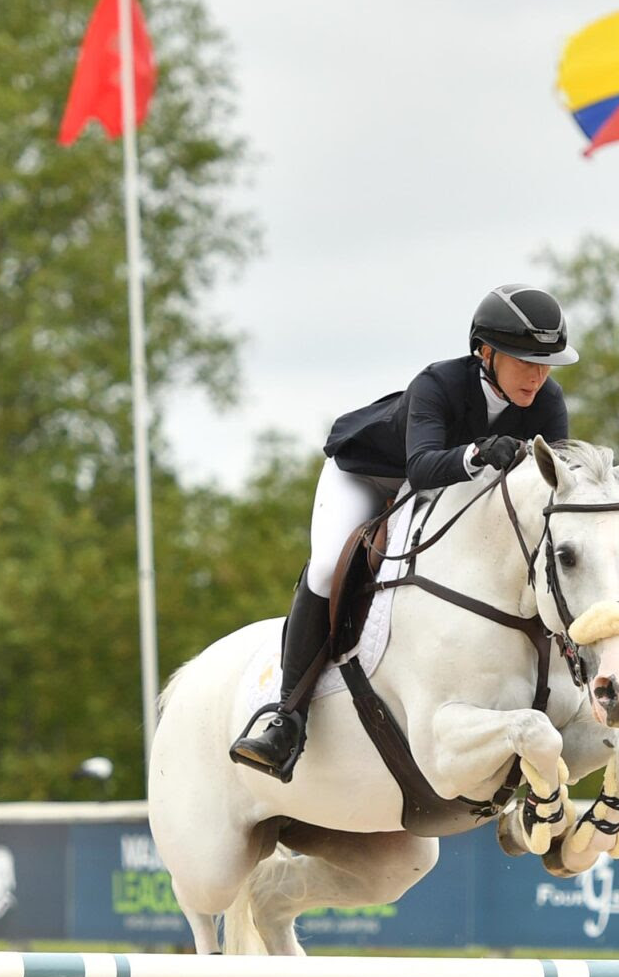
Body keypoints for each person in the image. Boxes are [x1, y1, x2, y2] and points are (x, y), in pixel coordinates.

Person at [228, 283, 579, 780]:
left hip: (444, 485)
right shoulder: (438, 384)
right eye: (526, 362)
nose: (538, 377)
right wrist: (479, 453)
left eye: (546, 364)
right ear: (486, 352)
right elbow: (422, 465)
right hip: (370, 473)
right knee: (329, 565)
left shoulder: (547, 400)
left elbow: (550, 485)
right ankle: (286, 718)